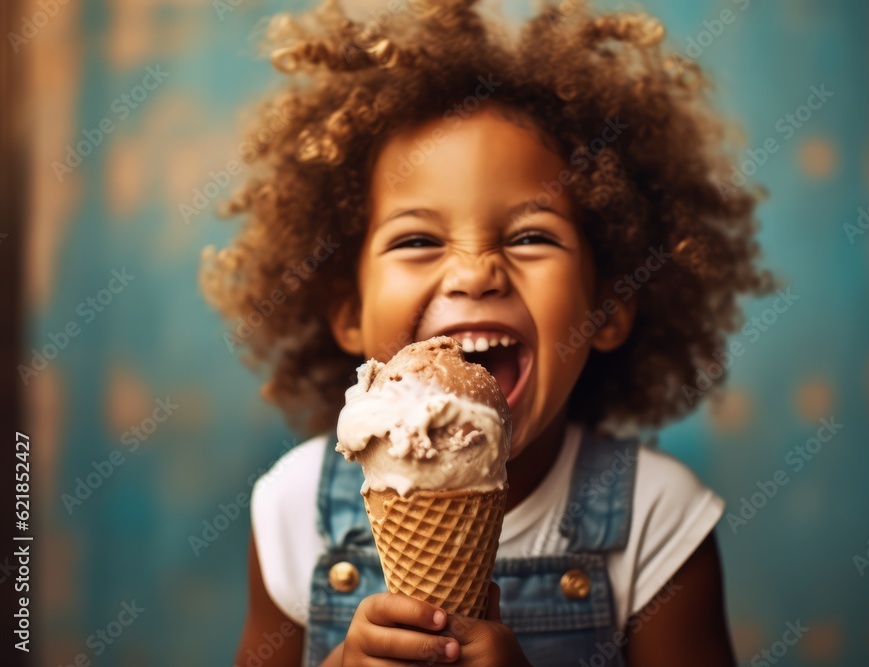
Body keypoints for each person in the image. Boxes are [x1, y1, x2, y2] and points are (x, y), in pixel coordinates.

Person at [200, 0, 772, 664]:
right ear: (350, 310)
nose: (475, 272)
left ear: (608, 306)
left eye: (531, 236)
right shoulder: (294, 507)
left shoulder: (657, 520)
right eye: (417, 239)